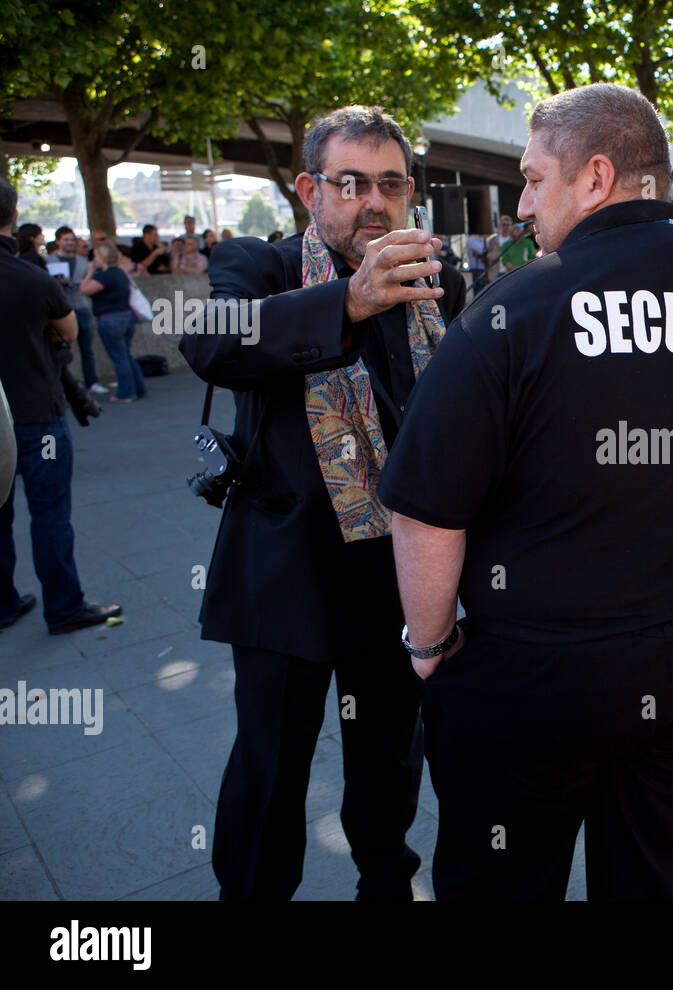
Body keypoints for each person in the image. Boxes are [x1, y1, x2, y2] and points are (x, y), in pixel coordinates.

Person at [376, 82, 673, 901]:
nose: (522, 204)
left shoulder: (511, 311)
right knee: (663, 878)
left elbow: (424, 513)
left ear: (594, 177)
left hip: (533, 675)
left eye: (532, 179)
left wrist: (430, 646)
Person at [178, 104, 465, 902]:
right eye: (351, 183)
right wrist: (348, 300)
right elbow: (211, 343)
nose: (374, 202)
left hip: (397, 572)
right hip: (288, 572)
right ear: (310, 190)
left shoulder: (436, 279)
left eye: (390, 184)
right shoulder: (259, 264)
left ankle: (387, 883)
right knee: (270, 764)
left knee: (391, 759)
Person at [0, 179, 123, 635]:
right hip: (36, 414)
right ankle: (64, 606)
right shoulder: (32, 279)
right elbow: (68, 332)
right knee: (49, 514)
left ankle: (3, 603)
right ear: (13, 216)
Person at [79, 243, 147, 402]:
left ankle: (126, 392)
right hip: (126, 316)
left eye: (96, 257)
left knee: (119, 357)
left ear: (101, 258)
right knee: (126, 354)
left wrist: (89, 273)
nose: (93, 260)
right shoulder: (120, 273)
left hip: (110, 318)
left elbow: (84, 289)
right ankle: (139, 388)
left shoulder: (103, 276)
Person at [47, 226, 107, 395]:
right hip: (61, 309)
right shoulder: (49, 261)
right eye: (66, 240)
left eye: (72, 240)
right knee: (62, 350)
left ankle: (91, 381)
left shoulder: (83, 261)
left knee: (87, 348)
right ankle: (63, 385)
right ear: (58, 241)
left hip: (81, 306)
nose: (69, 243)